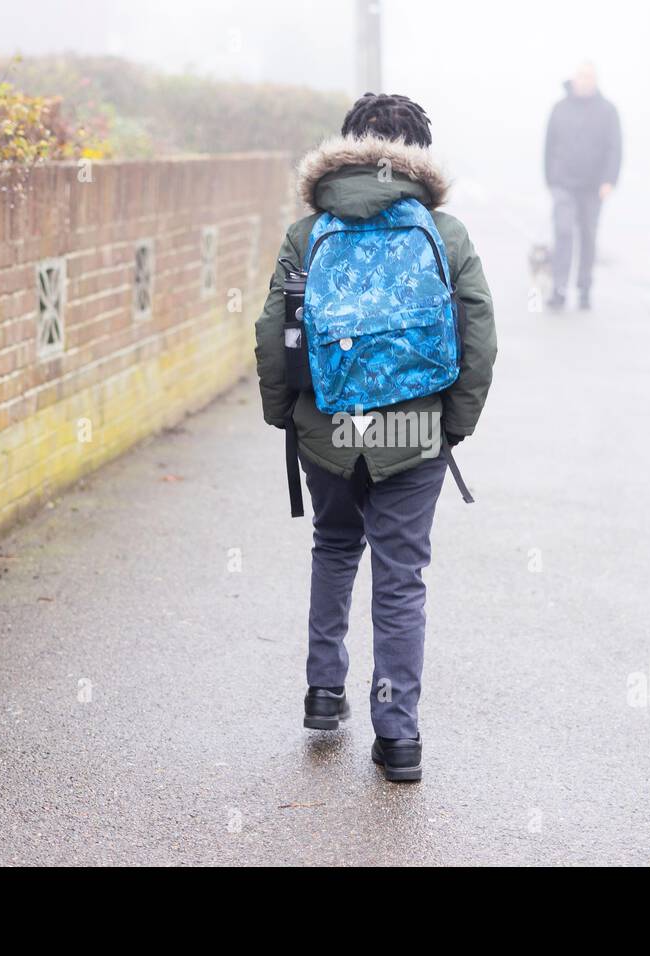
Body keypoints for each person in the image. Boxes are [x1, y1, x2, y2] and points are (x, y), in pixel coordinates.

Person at [254, 94, 496, 782]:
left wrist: (289, 417)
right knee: (400, 577)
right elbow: (480, 341)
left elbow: (275, 336)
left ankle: (324, 693)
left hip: (326, 428)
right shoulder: (444, 234)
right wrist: (452, 425)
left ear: (349, 146)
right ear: (420, 155)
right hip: (414, 431)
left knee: (333, 548)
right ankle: (399, 739)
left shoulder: (310, 232)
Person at [544, 62, 623, 311]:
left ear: (596, 81)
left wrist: (609, 180)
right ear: (574, 79)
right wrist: (551, 179)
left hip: (593, 187)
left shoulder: (608, 111)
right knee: (564, 232)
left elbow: (615, 148)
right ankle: (559, 287)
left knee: (588, 236)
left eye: (589, 77)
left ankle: (585, 287)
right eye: (581, 76)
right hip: (563, 184)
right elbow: (549, 146)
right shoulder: (560, 108)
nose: (584, 81)